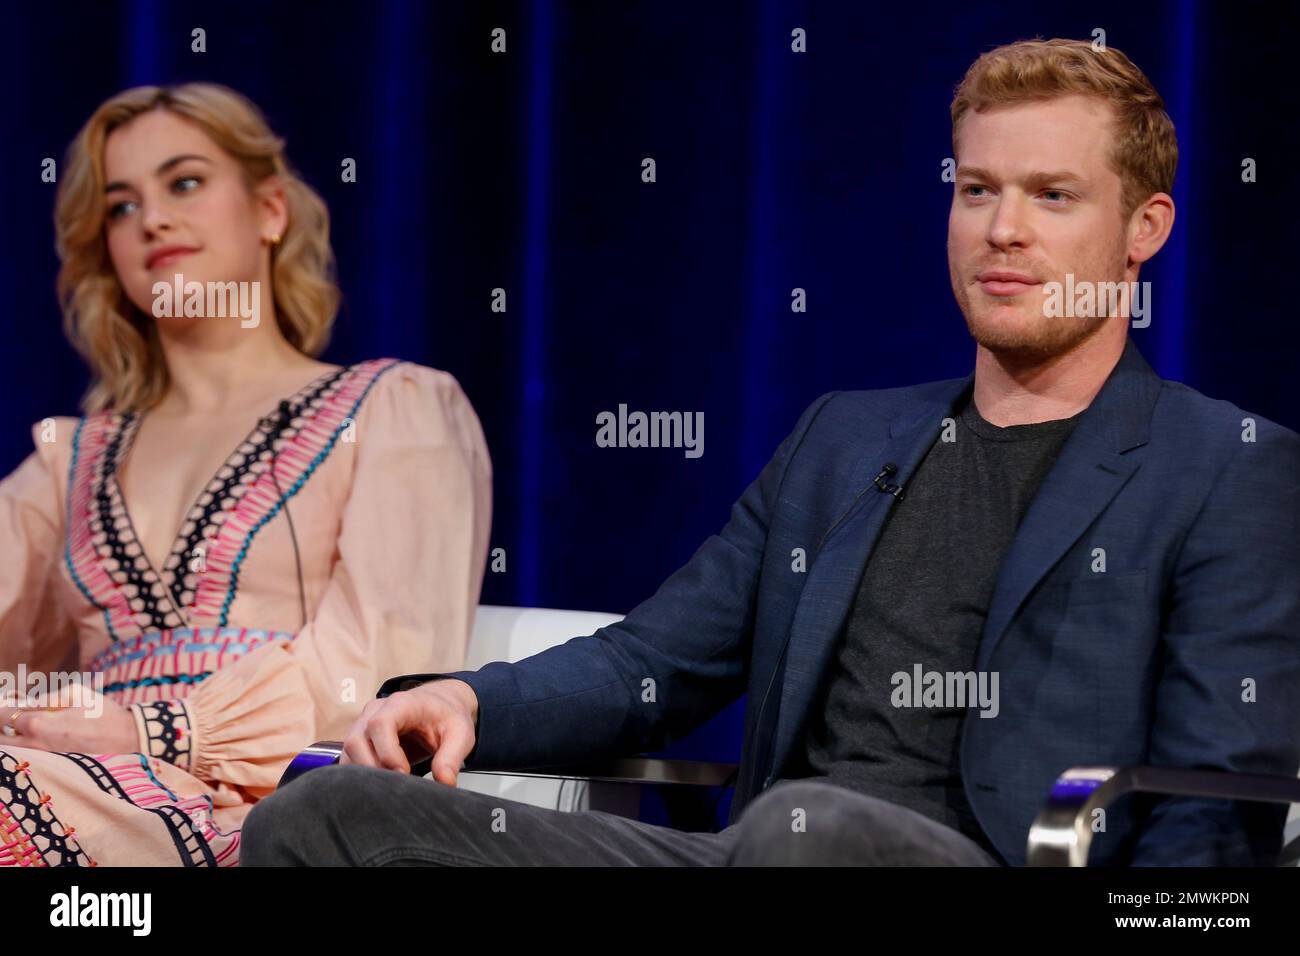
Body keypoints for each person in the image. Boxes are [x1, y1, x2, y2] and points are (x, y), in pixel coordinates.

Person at [243, 38, 1300, 867]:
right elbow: (651, 661)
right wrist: (470, 699)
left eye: (1050, 195)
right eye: (976, 189)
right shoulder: (845, 437)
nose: (1001, 229)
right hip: (760, 853)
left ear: (1144, 228)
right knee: (326, 813)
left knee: (820, 827)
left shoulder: (1228, 467)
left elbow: (1214, 788)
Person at [0, 83, 493, 866]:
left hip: (275, 816)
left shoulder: (396, 407)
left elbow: (378, 681)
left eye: (185, 182)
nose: (153, 218)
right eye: (121, 206)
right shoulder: (68, 462)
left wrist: (154, 732)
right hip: (69, 792)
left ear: (270, 211)